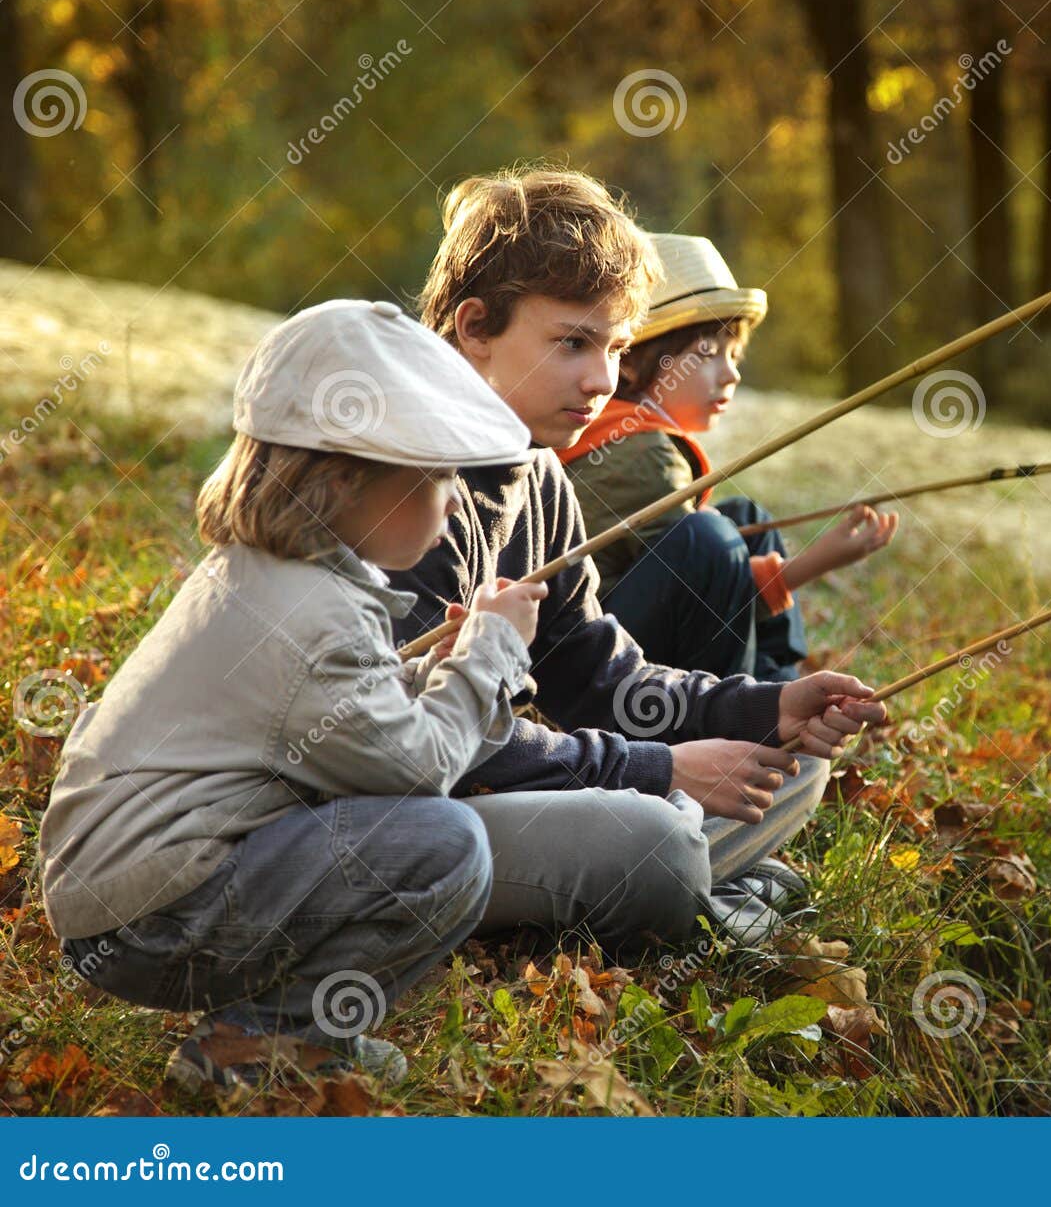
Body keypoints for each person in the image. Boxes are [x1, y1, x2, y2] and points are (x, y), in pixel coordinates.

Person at [35, 299, 546, 1094]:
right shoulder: (319, 618)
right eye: (437, 475)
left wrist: (435, 671)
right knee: (447, 844)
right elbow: (418, 773)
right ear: (344, 482)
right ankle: (261, 1043)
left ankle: (296, 1035)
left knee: (426, 833)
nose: (453, 501)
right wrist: (493, 650)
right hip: (151, 919)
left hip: (120, 898)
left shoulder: (270, 576)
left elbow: (342, 729)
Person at [385, 166, 890, 947]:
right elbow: (426, 745)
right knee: (657, 843)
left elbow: (601, 676)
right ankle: (669, 888)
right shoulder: (402, 482)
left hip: (508, 787)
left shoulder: (540, 477)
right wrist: (662, 772)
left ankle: (655, 877)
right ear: (475, 326)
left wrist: (761, 709)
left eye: (617, 347)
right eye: (572, 343)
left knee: (793, 762)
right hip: (402, 814)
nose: (601, 379)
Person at [560, 233, 898, 682]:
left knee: (743, 518)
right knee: (709, 536)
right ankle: (746, 715)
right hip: (596, 669)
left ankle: (777, 683)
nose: (732, 372)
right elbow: (702, 588)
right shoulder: (639, 453)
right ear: (634, 361)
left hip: (625, 634)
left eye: (734, 354)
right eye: (707, 353)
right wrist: (812, 563)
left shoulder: (634, 437)